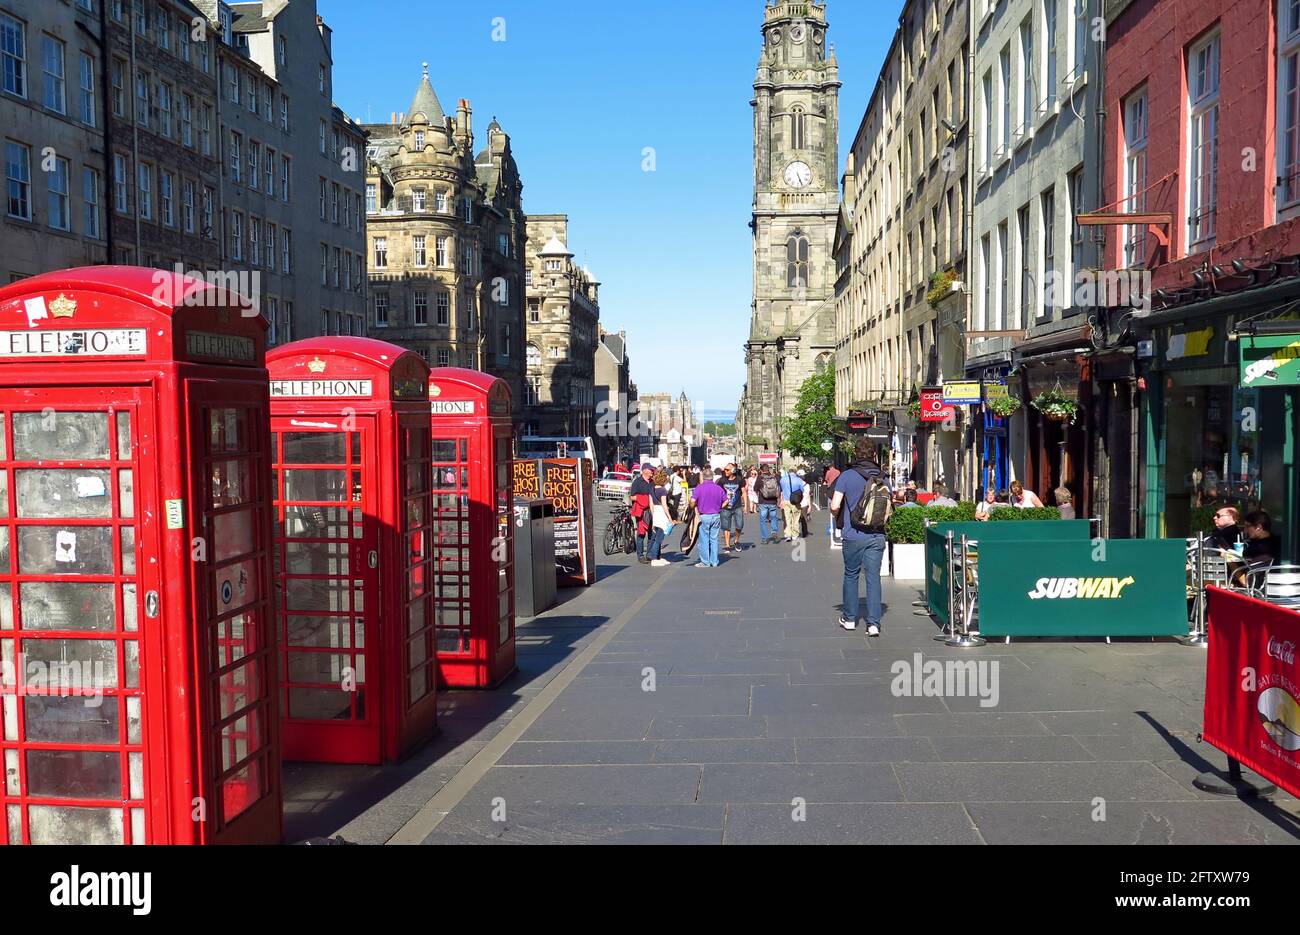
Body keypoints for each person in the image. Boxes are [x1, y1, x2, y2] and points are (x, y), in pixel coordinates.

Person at [830, 438, 889, 636]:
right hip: (877, 534)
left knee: (851, 575)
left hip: (853, 534)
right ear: (874, 454)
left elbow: (835, 506)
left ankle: (849, 619)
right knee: (873, 578)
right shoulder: (883, 476)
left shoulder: (847, 476)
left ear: (855, 453)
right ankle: (873, 624)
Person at [689, 468, 726, 567]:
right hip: (716, 515)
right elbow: (726, 500)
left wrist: (692, 506)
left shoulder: (699, 488)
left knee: (704, 539)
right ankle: (714, 561)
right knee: (714, 539)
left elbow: (692, 501)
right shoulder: (718, 488)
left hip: (704, 515)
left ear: (703, 477)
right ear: (712, 477)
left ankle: (705, 561)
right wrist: (720, 507)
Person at [628, 463, 656, 564]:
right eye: (650, 470)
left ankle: (649, 554)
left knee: (651, 533)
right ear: (644, 471)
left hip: (651, 510)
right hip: (641, 510)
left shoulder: (653, 482)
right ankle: (640, 555)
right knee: (641, 534)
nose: (652, 472)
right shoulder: (637, 482)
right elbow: (632, 496)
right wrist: (645, 499)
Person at [648, 469, 675, 567]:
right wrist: (669, 517)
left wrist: (653, 514)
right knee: (660, 537)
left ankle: (657, 557)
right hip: (661, 512)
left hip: (655, 512)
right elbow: (664, 505)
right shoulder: (663, 490)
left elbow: (650, 504)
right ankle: (654, 558)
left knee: (657, 535)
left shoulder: (652, 489)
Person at [719, 463, 748, 552]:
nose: (725, 471)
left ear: (733, 470)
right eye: (725, 469)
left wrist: (746, 505)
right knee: (726, 527)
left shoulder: (739, 480)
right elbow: (718, 492)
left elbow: (743, 492)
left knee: (740, 525)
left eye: (727, 470)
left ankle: (736, 540)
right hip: (725, 507)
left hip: (737, 506)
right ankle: (727, 545)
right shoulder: (722, 480)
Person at [756, 466, 783, 543]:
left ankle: (764, 538)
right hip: (773, 501)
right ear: (769, 470)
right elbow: (779, 488)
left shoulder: (760, 478)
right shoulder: (775, 477)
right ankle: (774, 532)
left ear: (761, 470)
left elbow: (755, 488)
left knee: (763, 520)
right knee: (774, 517)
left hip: (763, 501)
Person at [779, 467, 807, 542]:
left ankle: (788, 535)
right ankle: (795, 535)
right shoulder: (799, 480)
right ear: (795, 472)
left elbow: (781, 489)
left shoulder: (783, 479)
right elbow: (802, 490)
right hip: (796, 501)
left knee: (787, 518)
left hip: (786, 500)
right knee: (796, 518)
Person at [822, 463, 842, 535]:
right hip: (837, 489)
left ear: (830, 467)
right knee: (838, 504)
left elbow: (826, 480)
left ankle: (832, 515)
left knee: (831, 504)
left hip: (830, 490)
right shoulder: (838, 472)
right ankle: (837, 515)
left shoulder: (828, 472)